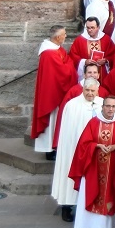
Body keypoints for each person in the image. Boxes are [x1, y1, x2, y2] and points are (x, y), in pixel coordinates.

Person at [68, 96, 115, 228]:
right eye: (108, 106)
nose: (110, 109)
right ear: (102, 107)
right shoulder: (93, 122)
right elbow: (83, 144)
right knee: (92, 191)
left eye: (113, 106)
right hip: (94, 166)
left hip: (113, 167)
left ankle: (112, 226)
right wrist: (96, 145)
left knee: (112, 192)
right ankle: (89, 227)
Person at [51, 78, 104, 223]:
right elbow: (67, 132)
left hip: (96, 149)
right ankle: (67, 206)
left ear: (97, 90)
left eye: (93, 91)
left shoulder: (102, 104)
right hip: (74, 148)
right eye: (87, 90)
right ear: (82, 89)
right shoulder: (72, 105)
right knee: (71, 176)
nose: (90, 93)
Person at [32, 25, 77, 159]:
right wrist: (69, 66)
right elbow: (64, 72)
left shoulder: (57, 49)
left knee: (56, 121)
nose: (66, 36)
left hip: (56, 93)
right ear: (58, 37)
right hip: (51, 96)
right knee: (51, 122)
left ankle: (54, 147)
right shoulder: (49, 54)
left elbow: (68, 62)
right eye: (64, 34)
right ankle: (49, 150)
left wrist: (68, 64)